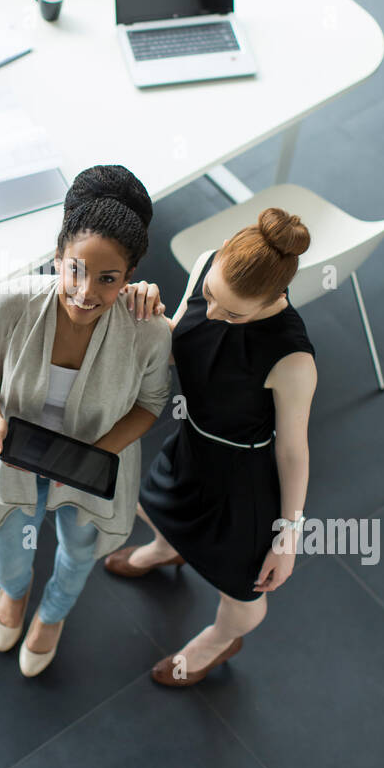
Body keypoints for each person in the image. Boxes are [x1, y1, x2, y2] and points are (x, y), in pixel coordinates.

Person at [0, 166, 172, 677]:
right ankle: (14, 590)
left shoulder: (147, 332)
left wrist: (94, 452)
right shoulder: (7, 303)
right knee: (6, 538)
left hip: (94, 464)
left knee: (80, 548)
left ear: (129, 277)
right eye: (74, 270)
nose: (85, 292)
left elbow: (151, 403)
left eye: (107, 279)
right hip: (14, 452)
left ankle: (52, 614)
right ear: (56, 257)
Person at [105, 209, 318, 688]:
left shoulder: (292, 359)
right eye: (211, 299)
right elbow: (177, 338)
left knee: (243, 592)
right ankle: (167, 549)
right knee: (150, 507)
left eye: (234, 314)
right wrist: (145, 315)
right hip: (193, 442)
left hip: (242, 482)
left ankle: (219, 640)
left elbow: (293, 451)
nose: (216, 316)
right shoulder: (207, 265)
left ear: (275, 298)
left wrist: (288, 537)